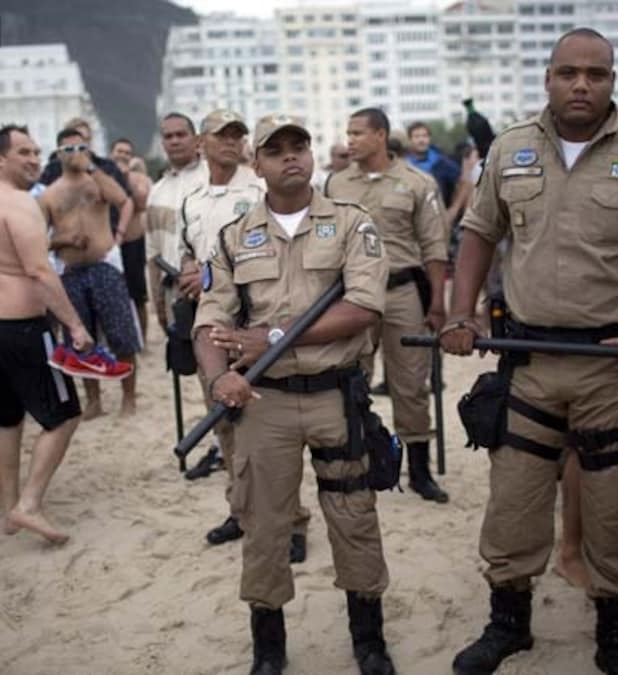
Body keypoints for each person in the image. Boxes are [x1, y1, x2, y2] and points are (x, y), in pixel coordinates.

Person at [441, 29, 618, 675]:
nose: (581, 84)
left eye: (596, 74)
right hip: (529, 358)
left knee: (614, 507)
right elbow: (480, 231)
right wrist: (461, 312)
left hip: (615, 363)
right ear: (547, 76)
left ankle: (616, 638)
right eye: (568, 72)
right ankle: (507, 626)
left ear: (612, 79)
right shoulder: (510, 149)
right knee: (512, 504)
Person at [194, 113, 395, 675]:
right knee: (264, 524)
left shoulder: (353, 222)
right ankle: (269, 649)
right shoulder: (234, 238)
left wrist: (275, 337)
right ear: (255, 164)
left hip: (337, 395)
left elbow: (363, 307)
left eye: (299, 146)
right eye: (275, 149)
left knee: (354, 515)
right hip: (265, 403)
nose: (290, 156)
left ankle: (369, 641)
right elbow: (210, 324)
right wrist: (219, 380)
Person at [0, 125, 95, 545]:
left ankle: (10, 510)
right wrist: (74, 324)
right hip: (16, 326)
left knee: (8, 418)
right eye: (23, 152)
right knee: (65, 414)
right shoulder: (20, 204)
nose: (35, 159)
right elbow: (38, 272)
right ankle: (29, 504)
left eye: (37, 151)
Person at [170, 110, 285, 550]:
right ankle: (239, 512)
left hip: (253, 320)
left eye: (238, 135)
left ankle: (292, 521)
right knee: (225, 424)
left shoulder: (259, 189)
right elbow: (185, 250)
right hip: (211, 321)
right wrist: (188, 270)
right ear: (203, 141)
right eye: (223, 135)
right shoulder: (192, 196)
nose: (232, 142)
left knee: (267, 429)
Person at [326, 107, 451, 503]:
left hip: (401, 294)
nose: (351, 140)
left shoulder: (417, 182)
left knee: (411, 384)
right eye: (347, 133)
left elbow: (434, 246)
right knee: (352, 377)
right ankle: (360, 461)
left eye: (358, 133)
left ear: (380, 136)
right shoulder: (335, 184)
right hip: (352, 296)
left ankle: (419, 470)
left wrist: (437, 305)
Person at [39, 127, 142, 418]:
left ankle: (129, 397)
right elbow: (37, 239)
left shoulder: (98, 180)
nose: (75, 154)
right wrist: (64, 241)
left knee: (122, 335)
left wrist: (92, 167)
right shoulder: (49, 193)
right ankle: (93, 400)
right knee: (80, 339)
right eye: (68, 149)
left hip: (104, 265)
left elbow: (122, 199)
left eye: (80, 147)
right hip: (70, 270)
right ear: (58, 152)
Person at [146, 113, 208, 336]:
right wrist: (158, 304)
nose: (175, 141)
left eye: (181, 134)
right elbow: (153, 253)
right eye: (168, 136)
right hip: (176, 291)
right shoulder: (157, 192)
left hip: (215, 287)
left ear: (197, 139)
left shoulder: (214, 179)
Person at [111, 137, 153, 346]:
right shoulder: (104, 177)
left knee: (138, 296)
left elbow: (142, 203)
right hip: (110, 244)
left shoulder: (138, 178)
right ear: (112, 153)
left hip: (134, 242)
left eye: (127, 152)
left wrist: (126, 176)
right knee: (113, 296)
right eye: (120, 151)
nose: (123, 155)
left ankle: (142, 340)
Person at [405, 121, 460, 209]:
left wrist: (453, 211)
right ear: (409, 139)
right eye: (417, 136)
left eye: (424, 136)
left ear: (429, 138)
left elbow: (461, 183)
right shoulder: (404, 164)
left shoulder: (442, 162)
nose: (421, 140)